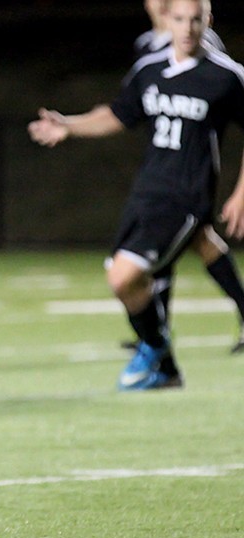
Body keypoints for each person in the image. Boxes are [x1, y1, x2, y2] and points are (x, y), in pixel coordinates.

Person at [28, 0, 244, 390]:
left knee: (124, 276)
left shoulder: (226, 76)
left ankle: (155, 349)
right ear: (167, 20)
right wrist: (69, 125)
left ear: (208, 21)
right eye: (180, 19)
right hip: (148, 192)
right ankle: (165, 366)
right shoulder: (149, 69)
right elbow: (118, 114)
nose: (187, 28)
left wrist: (241, 193)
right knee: (130, 279)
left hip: (187, 197)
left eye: (196, 20)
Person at [125, 0, 244, 354]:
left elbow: (213, 96)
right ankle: (156, 330)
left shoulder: (203, 44)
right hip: (163, 164)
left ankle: (154, 335)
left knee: (165, 243)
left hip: (192, 172)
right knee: (198, 243)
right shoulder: (147, 44)